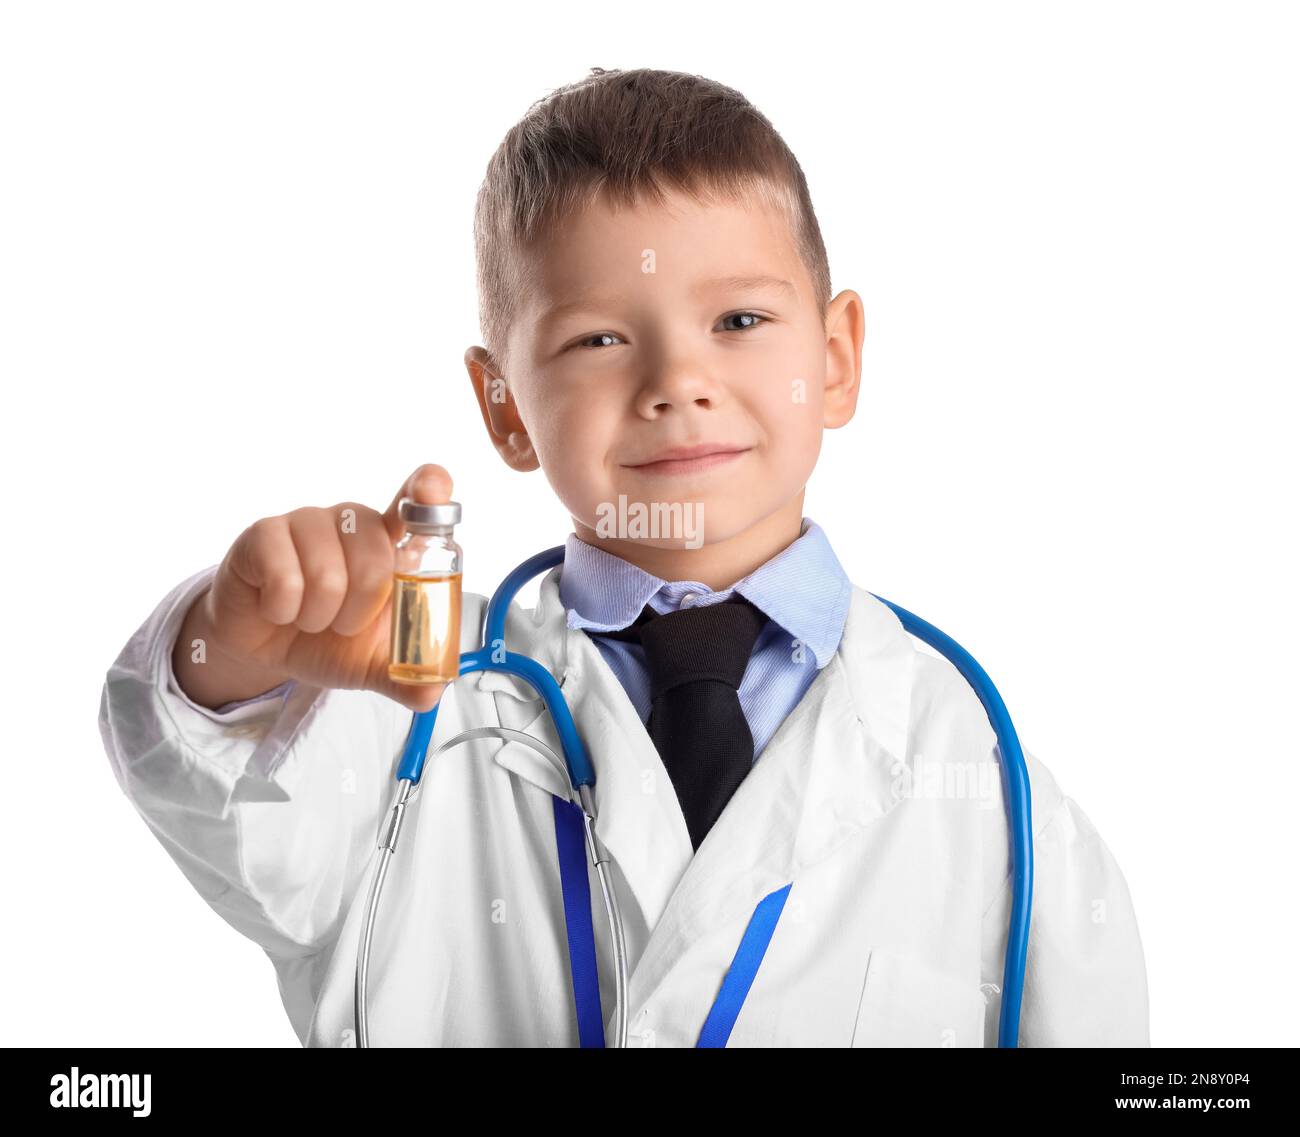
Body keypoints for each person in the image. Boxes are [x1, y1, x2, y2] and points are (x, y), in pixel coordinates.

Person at [98, 67, 1149, 1047]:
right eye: (599, 339)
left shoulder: (993, 792)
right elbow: (214, 787)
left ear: (833, 361)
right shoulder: (405, 703)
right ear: (502, 408)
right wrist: (229, 658)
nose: (676, 380)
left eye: (738, 319)